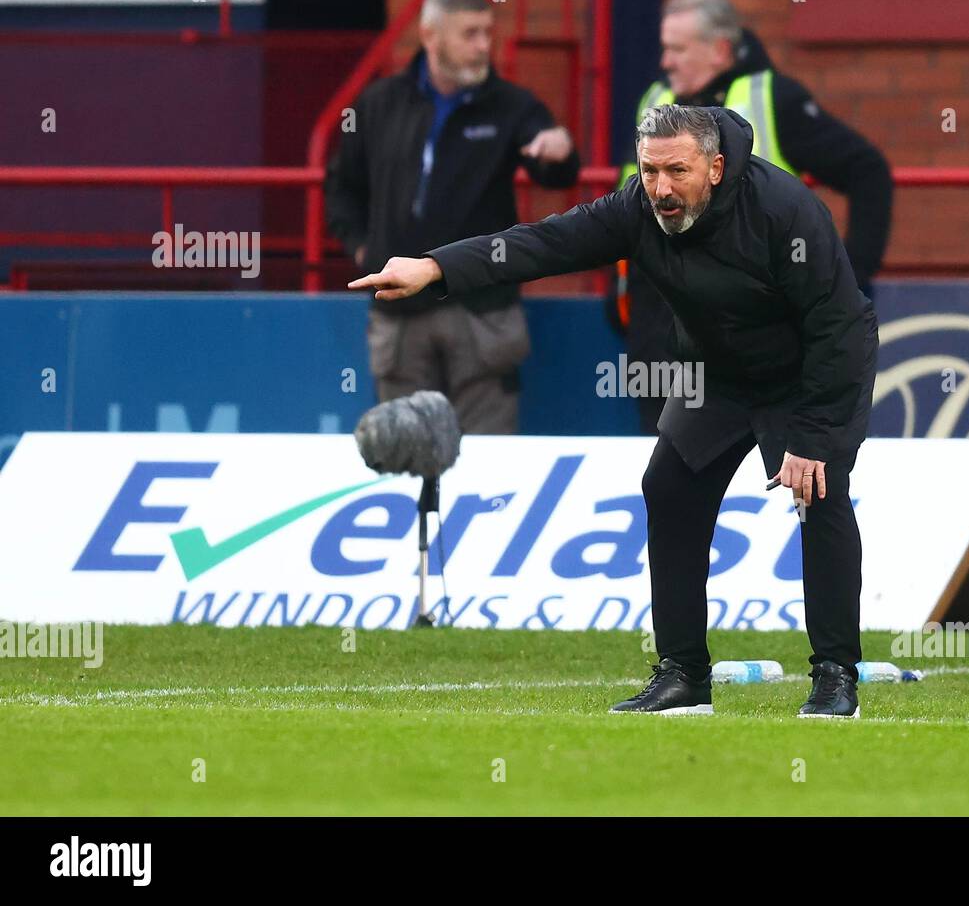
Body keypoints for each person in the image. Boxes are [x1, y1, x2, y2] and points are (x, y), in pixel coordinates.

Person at [350, 104, 879, 720]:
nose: (660, 188)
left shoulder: (786, 212)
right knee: (668, 488)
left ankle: (836, 677)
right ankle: (683, 675)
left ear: (715, 166)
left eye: (676, 171)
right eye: (650, 170)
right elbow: (545, 242)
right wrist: (435, 266)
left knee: (820, 495)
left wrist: (813, 435)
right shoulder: (638, 207)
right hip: (720, 374)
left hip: (811, 370)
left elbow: (839, 326)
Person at [610, 0, 892, 434]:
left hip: (755, 330)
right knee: (666, 469)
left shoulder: (771, 97)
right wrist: (620, 282)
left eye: (677, 49)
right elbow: (627, 202)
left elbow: (867, 170)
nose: (665, 61)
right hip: (660, 326)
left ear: (720, 49)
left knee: (775, 470)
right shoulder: (655, 99)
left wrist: (850, 275)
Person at [326, 0, 580, 431]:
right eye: (470, 34)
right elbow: (342, 188)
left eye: (488, 32)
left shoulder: (511, 106)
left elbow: (553, 169)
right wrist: (363, 247)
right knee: (402, 450)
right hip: (399, 311)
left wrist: (558, 150)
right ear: (430, 36)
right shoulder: (380, 103)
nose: (484, 46)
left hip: (482, 310)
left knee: (488, 461)